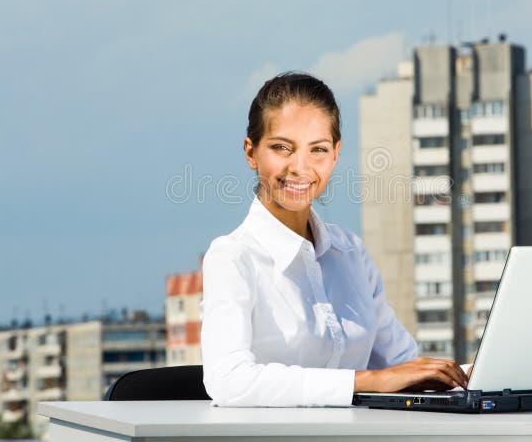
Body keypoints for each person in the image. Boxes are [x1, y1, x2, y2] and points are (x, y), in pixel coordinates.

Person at [200, 72, 471, 407]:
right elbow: (228, 380)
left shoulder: (350, 252)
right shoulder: (232, 257)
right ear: (251, 152)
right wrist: (365, 381)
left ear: (335, 154)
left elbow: (404, 364)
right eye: (282, 148)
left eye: (318, 149)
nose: (300, 167)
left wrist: (468, 375)